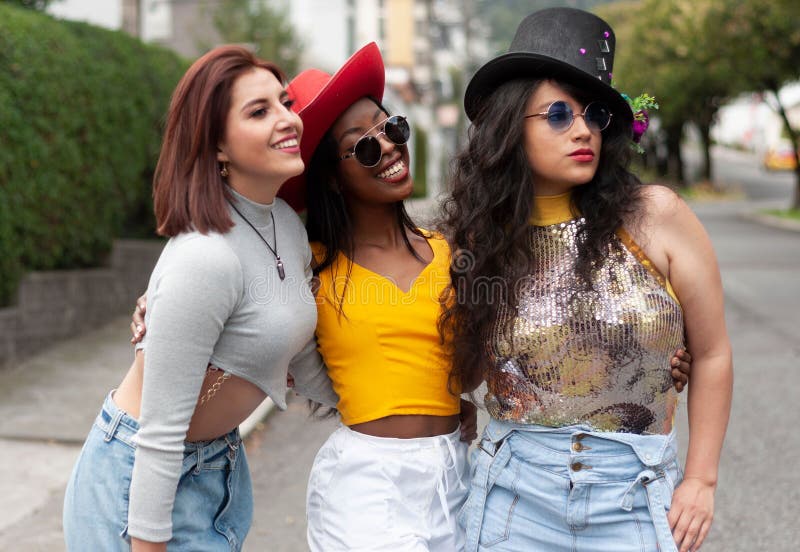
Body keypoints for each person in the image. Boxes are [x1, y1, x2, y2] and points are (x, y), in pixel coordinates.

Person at [130, 43, 691, 551]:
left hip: (458, 474)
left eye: (391, 128)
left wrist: (645, 361)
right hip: (365, 486)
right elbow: (240, 302)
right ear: (332, 176)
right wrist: (156, 306)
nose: (389, 149)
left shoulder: (459, 251)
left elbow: (534, 334)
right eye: (363, 149)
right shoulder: (309, 266)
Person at [440, 8, 732, 552]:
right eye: (557, 113)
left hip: (633, 494)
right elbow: (465, 371)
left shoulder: (654, 216)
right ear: (510, 126)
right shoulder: (481, 241)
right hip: (512, 497)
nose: (583, 130)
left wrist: (701, 480)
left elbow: (712, 353)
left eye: (594, 114)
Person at [63, 45, 337, 552]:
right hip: (139, 483)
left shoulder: (284, 227)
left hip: (219, 469)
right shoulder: (204, 258)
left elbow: (300, 357)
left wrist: (396, 418)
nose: (287, 120)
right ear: (217, 147)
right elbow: (160, 432)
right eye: (259, 112)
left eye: (285, 103)